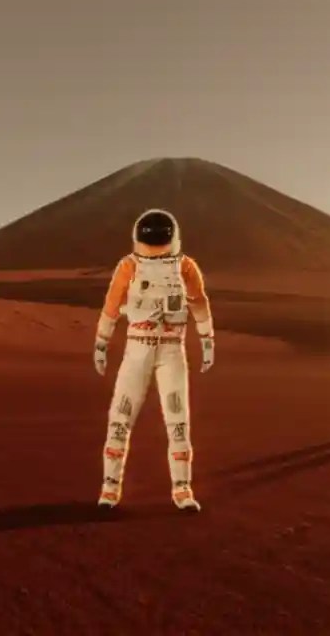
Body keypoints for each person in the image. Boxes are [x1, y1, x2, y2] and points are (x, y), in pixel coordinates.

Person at [93, 208, 215, 512]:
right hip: (141, 349)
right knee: (123, 417)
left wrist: (207, 338)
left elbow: (198, 301)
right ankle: (110, 488)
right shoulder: (132, 266)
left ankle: (181, 489)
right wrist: (101, 342)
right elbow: (112, 304)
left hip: (168, 349)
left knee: (176, 419)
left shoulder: (183, 266)